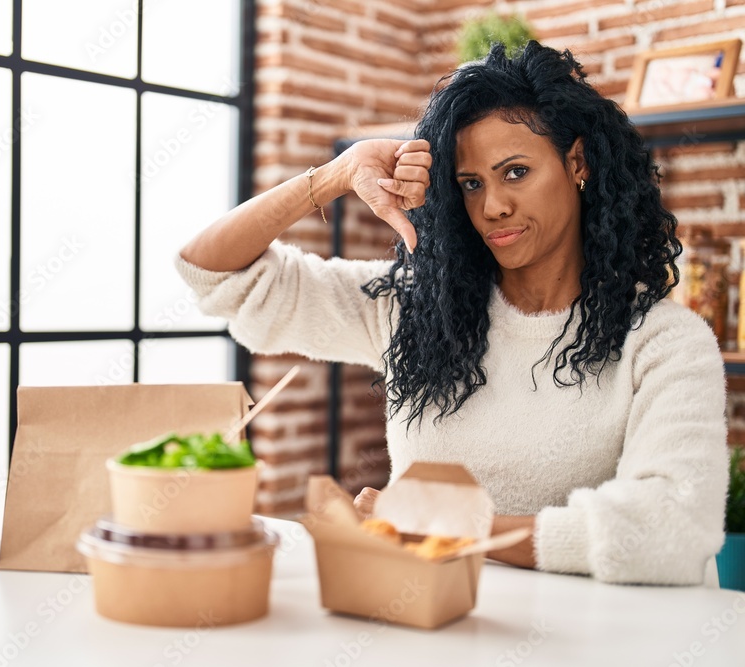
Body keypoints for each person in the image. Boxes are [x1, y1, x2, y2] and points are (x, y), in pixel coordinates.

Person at [175, 41, 728, 585]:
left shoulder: (664, 342)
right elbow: (212, 274)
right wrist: (336, 175)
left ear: (576, 163)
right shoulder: (419, 307)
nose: (492, 207)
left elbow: (670, 529)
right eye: (470, 183)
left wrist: (450, 525)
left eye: (515, 172)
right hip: (434, 624)